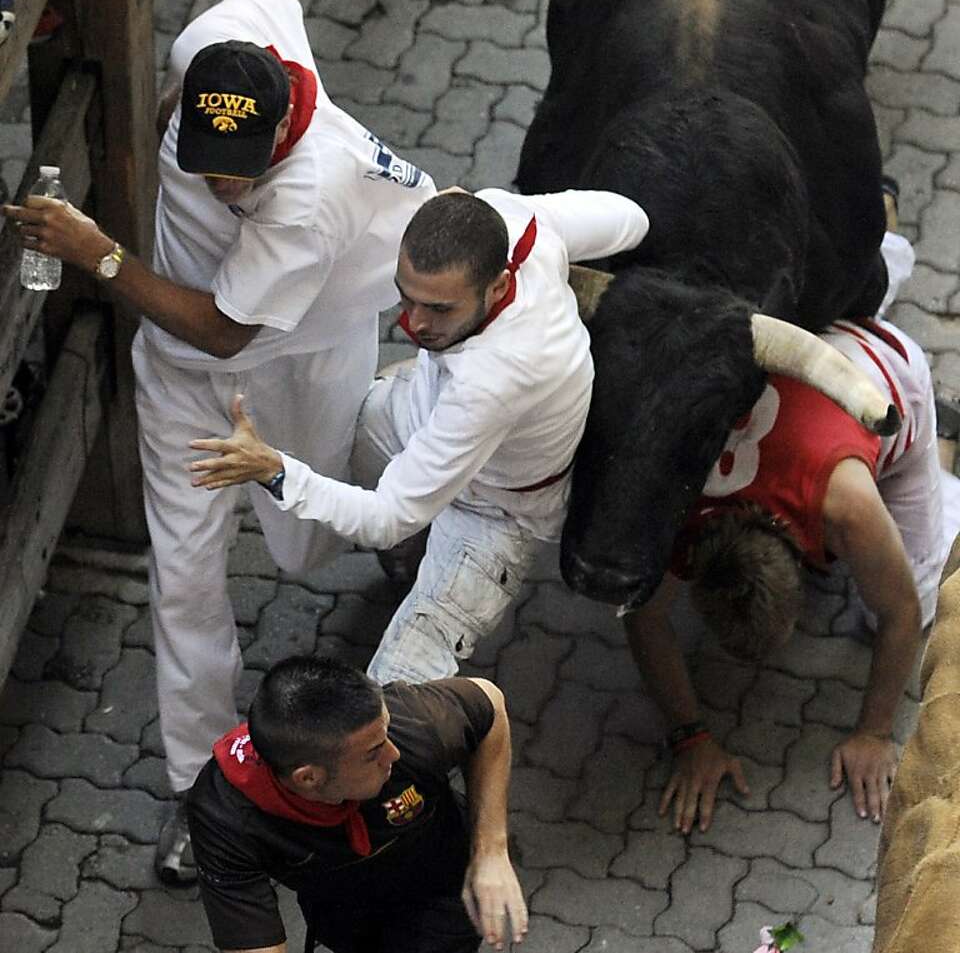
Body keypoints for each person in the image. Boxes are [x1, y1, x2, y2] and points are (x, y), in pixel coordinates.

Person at [3, 0, 436, 882]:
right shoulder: (222, 44)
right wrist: (174, 102)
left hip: (293, 363)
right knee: (186, 581)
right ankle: (204, 793)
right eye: (204, 147)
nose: (218, 175)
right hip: (181, 383)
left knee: (302, 551)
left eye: (239, 161)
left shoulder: (312, 191)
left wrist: (99, 252)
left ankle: (405, 509)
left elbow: (223, 326)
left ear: (284, 128)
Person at [188, 187, 649, 684]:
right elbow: (633, 218)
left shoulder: (496, 377)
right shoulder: (516, 221)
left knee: (397, 695)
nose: (415, 321)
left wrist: (274, 470)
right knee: (341, 431)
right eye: (406, 296)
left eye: (440, 309)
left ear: (499, 285)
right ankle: (407, 548)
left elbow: (386, 517)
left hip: (494, 509)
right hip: (417, 415)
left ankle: (416, 552)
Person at [622, 292, 946, 836]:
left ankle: (943, 459)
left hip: (885, 374)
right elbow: (642, 616)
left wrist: (874, 732)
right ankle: (879, 272)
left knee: (922, 594)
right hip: (802, 346)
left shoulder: (847, 506)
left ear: (808, 556)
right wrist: (691, 737)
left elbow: (901, 614)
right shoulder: (676, 504)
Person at [188, 655, 525, 953]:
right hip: (344, 914)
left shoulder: (412, 727)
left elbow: (489, 705)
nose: (393, 753)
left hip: (442, 887)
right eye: (373, 753)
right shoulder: (226, 816)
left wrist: (491, 851)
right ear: (309, 778)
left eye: (386, 734)